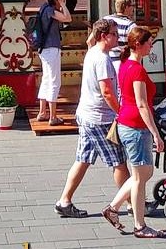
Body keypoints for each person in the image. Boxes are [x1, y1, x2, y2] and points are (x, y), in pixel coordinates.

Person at [54, 19, 129, 219]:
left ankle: (64, 201)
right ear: (104, 36)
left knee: (83, 159)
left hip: (86, 115)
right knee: (119, 162)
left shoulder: (93, 52)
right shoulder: (102, 59)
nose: (117, 37)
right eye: (114, 33)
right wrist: (121, 112)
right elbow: (107, 91)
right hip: (100, 118)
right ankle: (133, 201)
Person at [103, 27, 166, 238]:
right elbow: (141, 104)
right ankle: (140, 225)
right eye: (149, 42)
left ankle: (113, 208)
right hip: (136, 126)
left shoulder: (125, 65)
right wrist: (155, 133)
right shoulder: (137, 69)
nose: (151, 45)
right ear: (138, 44)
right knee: (140, 177)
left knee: (144, 173)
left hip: (127, 123)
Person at [36, 0, 71, 126]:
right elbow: (68, 18)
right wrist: (62, 4)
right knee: (54, 82)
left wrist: (61, 3)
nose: (64, 1)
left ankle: (42, 112)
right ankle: (53, 116)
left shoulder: (43, 8)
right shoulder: (50, 11)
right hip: (51, 49)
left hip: (44, 49)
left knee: (46, 80)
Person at [89, 0, 137, 77]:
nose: (134, 8)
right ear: (126, 7)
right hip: (122, 64)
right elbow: (135, 48)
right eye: (132, 5)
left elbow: (90, 41)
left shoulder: (105, 20)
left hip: (105, 61)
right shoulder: (131, 25)